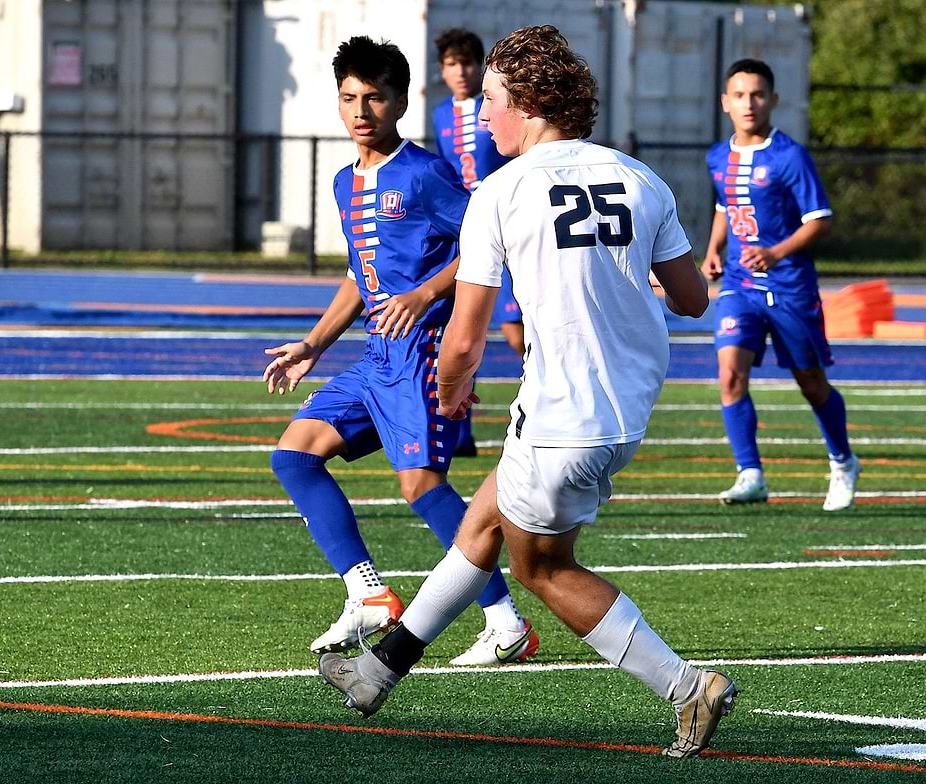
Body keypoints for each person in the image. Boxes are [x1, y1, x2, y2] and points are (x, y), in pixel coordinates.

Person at [319, 25, 736, 759]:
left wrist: (450, 394)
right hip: (622, 411)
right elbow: (694, 299)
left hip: (562, 415)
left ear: (532, 104)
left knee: (539, 567)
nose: (480, 117)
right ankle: (379, 671)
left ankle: (686, 687)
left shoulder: (503, 191)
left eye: (490, 100)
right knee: (482, 522)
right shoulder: (641, 178)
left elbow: (467, 335)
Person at [263, 35, 537, 667]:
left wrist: (425, 292)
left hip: (423, 353)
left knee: (421, 486)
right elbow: (362, 274)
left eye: (375, 98)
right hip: (377, 355)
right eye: (349, 98)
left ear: (400, 102)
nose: (361, 110)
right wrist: (313, 343)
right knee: (294, 456)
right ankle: (366, 592)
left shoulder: (425, 173)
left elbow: (485, 242)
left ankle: (505, 622)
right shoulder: (343, 181)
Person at [702, 58, 860, 512]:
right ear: (725, 103)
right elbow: (724, 206)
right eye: (739, 95)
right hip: (739, 285)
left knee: (811, 382)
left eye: (757, 94)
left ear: (773, 100)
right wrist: (714, 248)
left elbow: (819, 221)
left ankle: (843, 461)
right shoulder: (718, 156)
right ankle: (750, 473)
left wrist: (775, 252)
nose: (748, 103)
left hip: (789, 287)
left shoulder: (790, 156)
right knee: (730, 373)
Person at [431, 28, 525, 456]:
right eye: (452, 63)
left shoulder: (497, 109)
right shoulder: (439, 116)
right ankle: (461, 432)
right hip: (465, 236)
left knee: (515, 333)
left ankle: (543, 401)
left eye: (468, 62)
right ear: (442, 70)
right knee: (461, 328)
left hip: (507, 227)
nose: (461, 71)